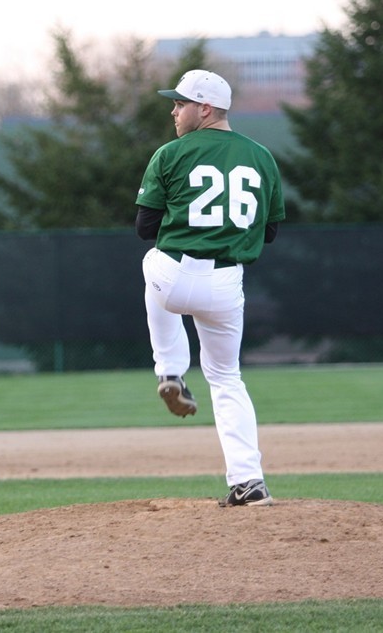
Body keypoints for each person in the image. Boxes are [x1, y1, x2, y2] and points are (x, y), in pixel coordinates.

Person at [135, 69, 285, 507]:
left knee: (150, 263)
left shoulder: (170, 153)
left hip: (173, 275)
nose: (173, 110)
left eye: (180, 103)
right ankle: (249, 482)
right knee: (227, 378)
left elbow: (145, 228)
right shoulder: (261, 157)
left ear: (205, 109)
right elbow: (270, 231)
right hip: (226, 285)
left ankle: (170, 372)